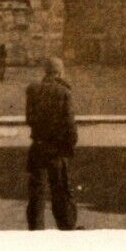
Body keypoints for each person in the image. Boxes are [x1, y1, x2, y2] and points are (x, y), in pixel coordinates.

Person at [25, 57, 79, 230]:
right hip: (56, 148)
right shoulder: (64, 92)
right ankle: (66, 227)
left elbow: (30, 118)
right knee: (60, 190)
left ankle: (36, 229)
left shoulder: (32, 90)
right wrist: (69, 146)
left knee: (36, 192)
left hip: (38, 146)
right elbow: (70, 125)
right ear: (60, 71)